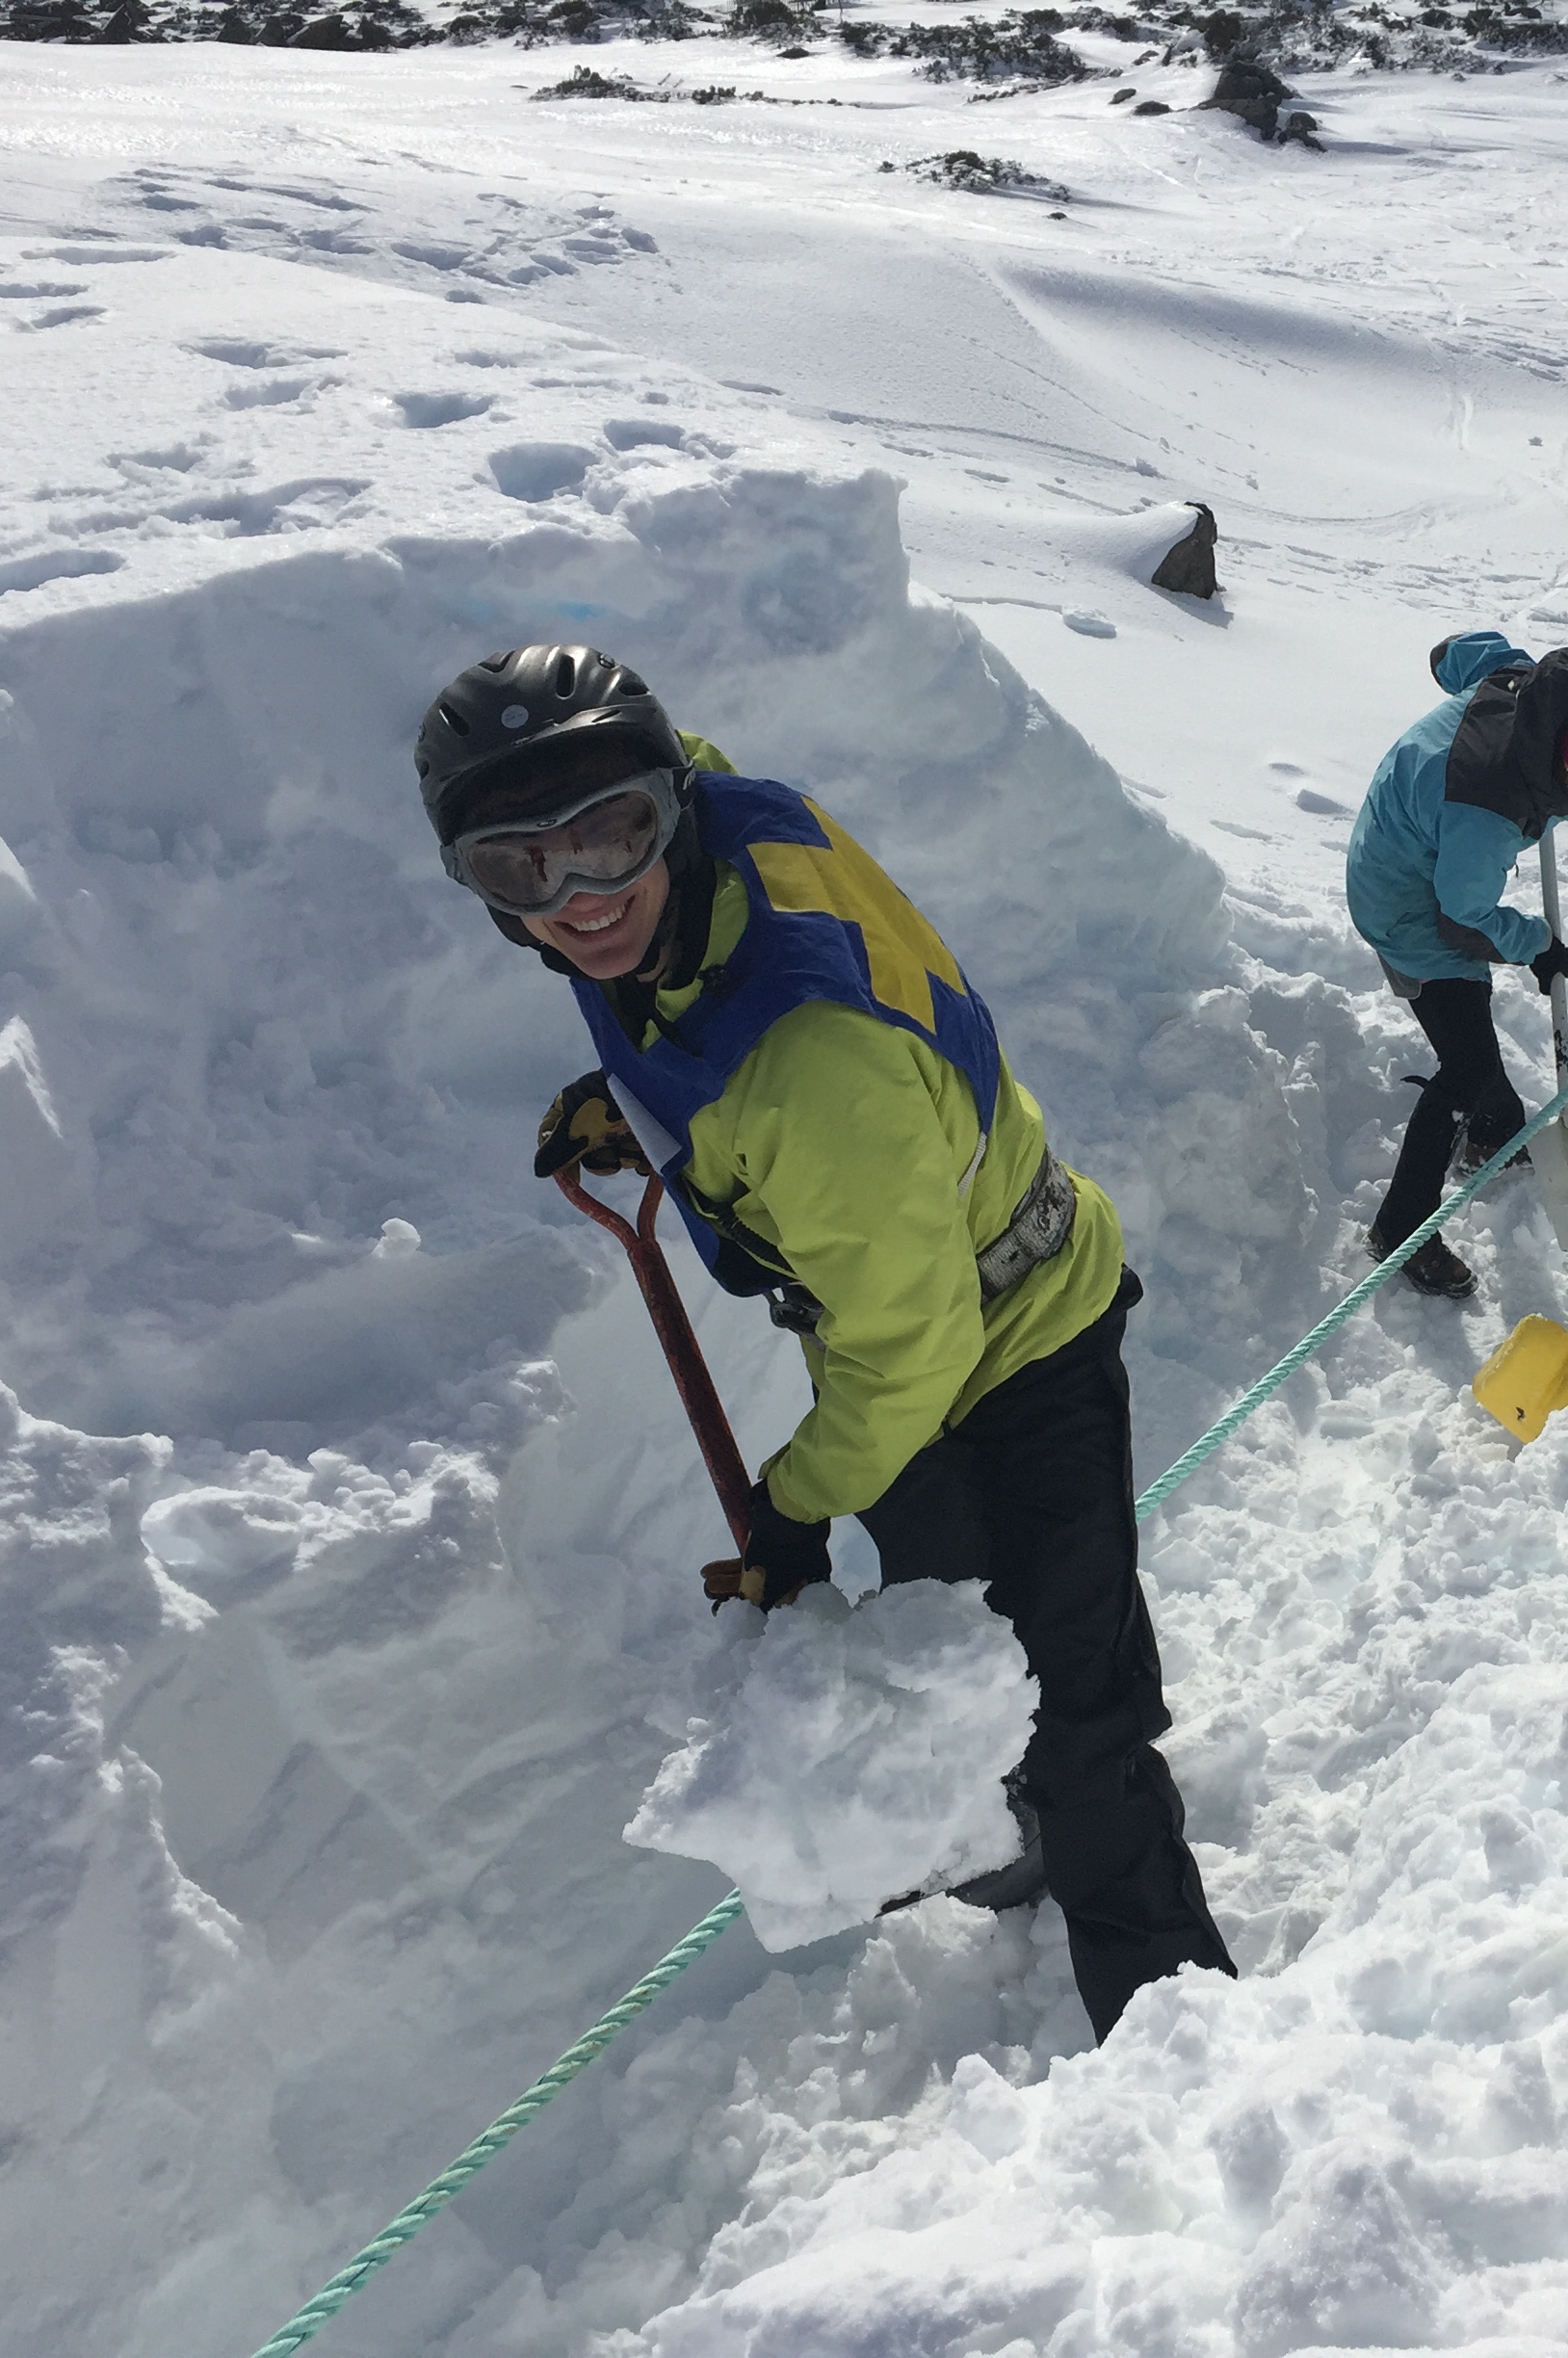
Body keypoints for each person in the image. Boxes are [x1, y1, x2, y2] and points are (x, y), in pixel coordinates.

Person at [413, 644, 1233, 2041]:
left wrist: (792, 1511)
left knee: (1076, 1690)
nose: (582, 899)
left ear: (665, 804)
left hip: (1019, 1336)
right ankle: (1009, 1816)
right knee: (948, 1623)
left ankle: (1176, 2024)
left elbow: (906, 1354)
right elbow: (700, 1022)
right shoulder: (708, 843)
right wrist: (652, 1098)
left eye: (609, 840)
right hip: (904, 1307)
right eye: (519, 869)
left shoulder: (808, 1077)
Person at [1344, 631, 1568, 1299]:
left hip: (1429, 859)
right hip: (1405, 903)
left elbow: (1471, 653)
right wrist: (1535, 944)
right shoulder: (1487, 807)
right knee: (1464, 1068)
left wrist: (1447, 655)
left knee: (1474, 1044)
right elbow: (1463, 920)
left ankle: (1493, 1133)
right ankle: (1400, 1226)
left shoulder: (1525, 687)